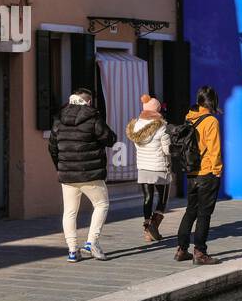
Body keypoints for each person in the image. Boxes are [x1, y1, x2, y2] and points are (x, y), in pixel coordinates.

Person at [49, 88, 116, 262]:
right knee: (102, 204)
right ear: (88, 102)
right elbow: (110, 138)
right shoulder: (93, 117)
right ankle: (91, 243)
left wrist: (60, 166)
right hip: (90, 173)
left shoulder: (59, 119)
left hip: (67, 174)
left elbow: (52, 147)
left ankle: (72, 250)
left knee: (70, 211)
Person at [175, 86, 223, 265]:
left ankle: (181, 249)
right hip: (207, 172)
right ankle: (200, 252)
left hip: (191, 172)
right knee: (204, 214)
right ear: (213, 101)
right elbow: (214, 149)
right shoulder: (211, 121)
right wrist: (217, 170)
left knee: (190, 210)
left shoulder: (190, 118)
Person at [127, 95, 172, 242]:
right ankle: (154, 225)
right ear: (157, 110)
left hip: (143, 167)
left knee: (147, 197)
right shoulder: (161, 126)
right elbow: (167, 150)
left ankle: (147, 230)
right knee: (163, 198)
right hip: (159, 167)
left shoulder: (136, 126)